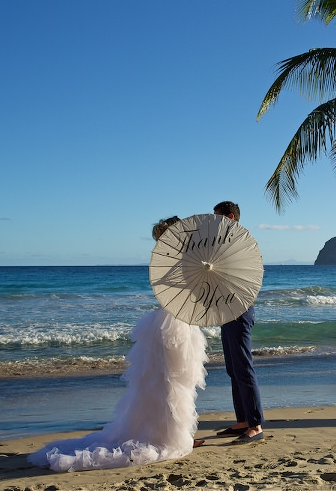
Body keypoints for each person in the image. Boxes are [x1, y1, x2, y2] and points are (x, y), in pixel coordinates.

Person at [28, 216, 208, 472]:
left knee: (176, 382)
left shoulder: (177, 260)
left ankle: (178, 435)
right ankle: (169, 437)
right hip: (173, 323)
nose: (159, 243)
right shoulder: (177, 261)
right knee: (169, 382)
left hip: (174, 322)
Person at [213, 201, 264, 444]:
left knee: (243, 368)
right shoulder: (223, 246)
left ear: (230, 217)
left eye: (218, 218)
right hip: (226, 310)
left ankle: (255, 425)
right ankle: (243, 420)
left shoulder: (240, 245)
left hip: (240, 309)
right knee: (233, 369)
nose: (215, 223)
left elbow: (247, 277)